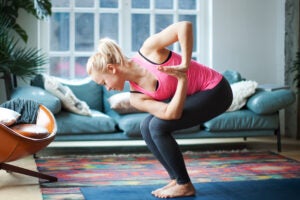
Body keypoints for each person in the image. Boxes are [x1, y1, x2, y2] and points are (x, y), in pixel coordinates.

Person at [86, 21, 233, 198]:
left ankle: (184, 184)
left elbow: (184, 26)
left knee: (157, 126)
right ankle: (177, 179)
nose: (107, 88)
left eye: (104, 82)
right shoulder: (136, 97)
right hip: (195, 94)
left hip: (217, 90)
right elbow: (171, 113)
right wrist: (182, 80)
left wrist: (185, 65)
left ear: (111, 69)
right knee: (146, 125)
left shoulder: (149, 50)